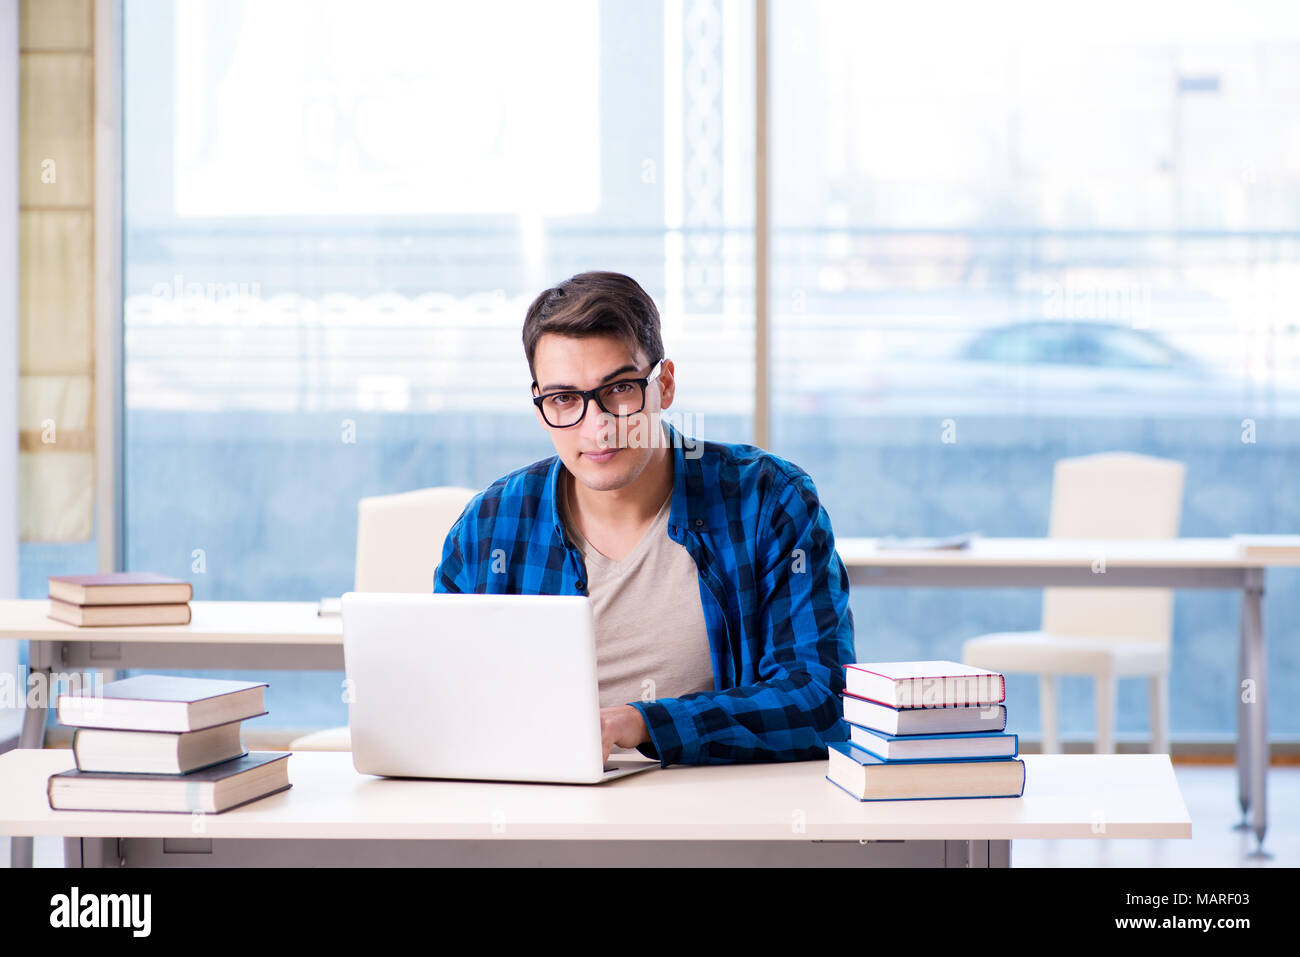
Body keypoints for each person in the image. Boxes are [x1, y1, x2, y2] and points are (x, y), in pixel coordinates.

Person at [433, 270, 854, 766]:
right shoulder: (491, 526)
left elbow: (820, 698)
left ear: (665, 384)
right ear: (540, 403)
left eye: (619, 390)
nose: (598, 428)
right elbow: (447, 702)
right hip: (536, 810)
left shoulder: (768, 499)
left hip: (722, 810)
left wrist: (641, 723)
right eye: (564, 399)